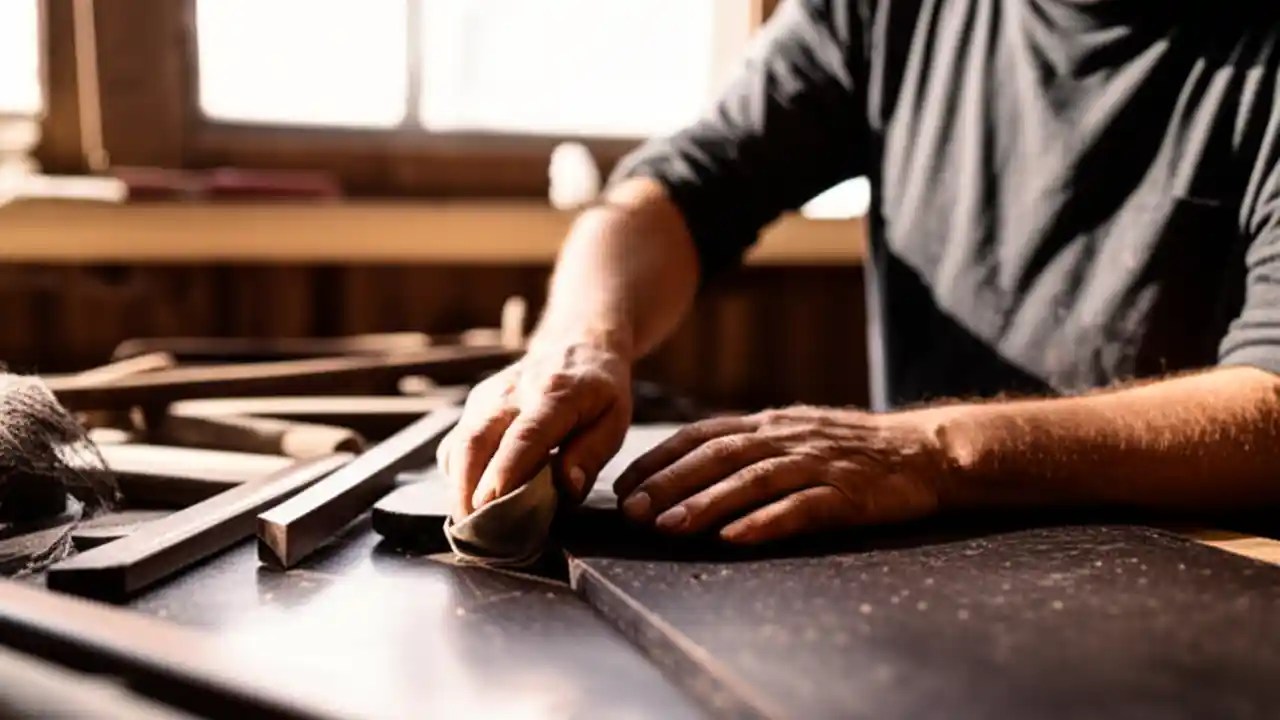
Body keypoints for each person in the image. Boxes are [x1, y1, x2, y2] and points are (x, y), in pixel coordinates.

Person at [437, 0, 1280, 544]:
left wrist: (927, 451)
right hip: (928, 565)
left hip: (1211, 578)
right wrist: (582, 344)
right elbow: (670, 198)